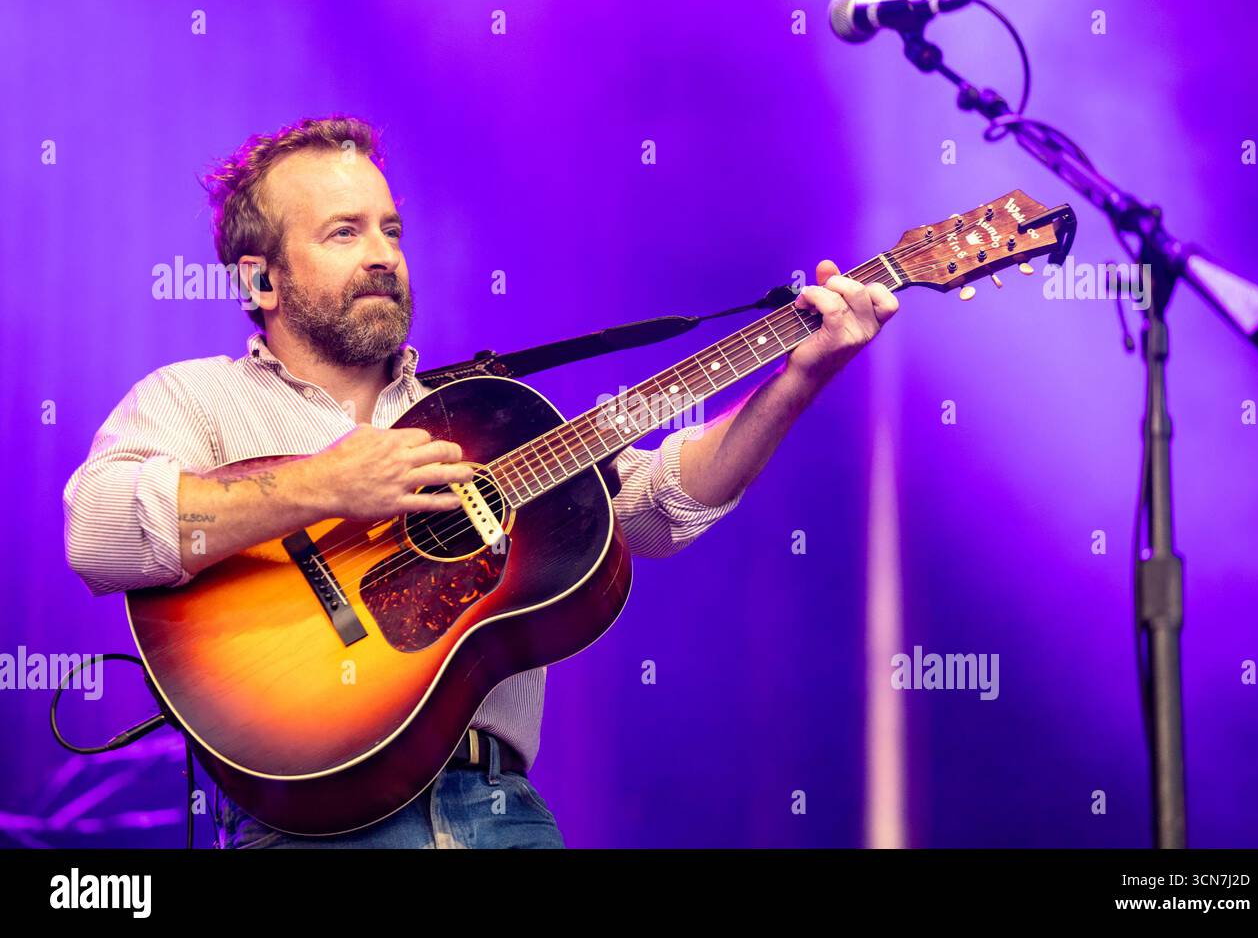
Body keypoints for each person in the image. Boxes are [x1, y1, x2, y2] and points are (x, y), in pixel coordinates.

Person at [62, 115, 899, 848]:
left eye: (391, 229)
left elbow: (659, 510)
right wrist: (321, 486)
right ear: (260, 280)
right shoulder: (194, 398)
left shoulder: (485, 418)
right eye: (344, 233)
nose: (384, 255)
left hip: (503, 815)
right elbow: (98, 531)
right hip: (306, 832)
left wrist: (799, 377)